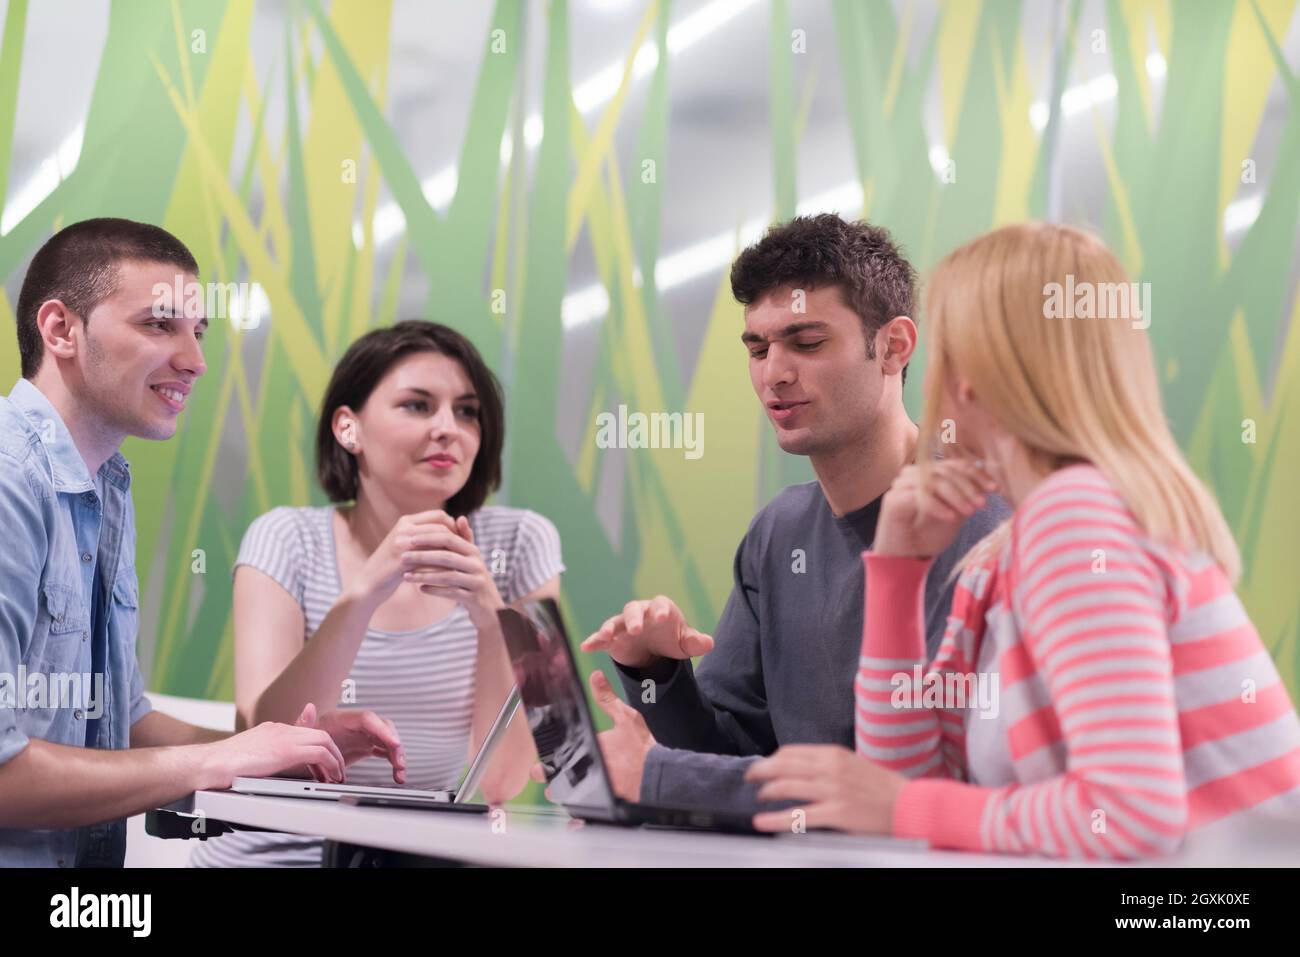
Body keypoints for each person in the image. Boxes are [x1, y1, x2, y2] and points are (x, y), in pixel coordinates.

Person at [746, 221, 1300, 856]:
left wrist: (902, 806)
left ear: (976, 376)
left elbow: (1129, 817)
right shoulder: (1005, 552)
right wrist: (897, 572)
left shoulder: (1077, 518)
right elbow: (905, 786)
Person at [0, 218, 403, 868]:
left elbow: (121, 725)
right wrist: (216, 760)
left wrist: (279, 748)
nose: (195, 359)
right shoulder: (7, 478)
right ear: (60, 330)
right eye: (159, 325)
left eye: (198, 331)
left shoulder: (103, 488)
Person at [574, 214, 1009, 814]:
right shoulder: (778, 533)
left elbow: (891, 796)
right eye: (758, 347)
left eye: (807, 343)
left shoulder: (984, 522)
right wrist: (656, 674)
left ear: (894, 346)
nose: (774, 373)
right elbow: (727, 755)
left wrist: (662, 778)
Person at [191, 320, 562, 866]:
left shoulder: (522, 542)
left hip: (419, 856)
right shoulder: (286, 539)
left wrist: (491, 622)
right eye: (417, 405)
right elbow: (263, 738)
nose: (448, 429)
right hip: (275, 854)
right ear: (348, 428)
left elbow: (501, 781)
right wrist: (362, 594)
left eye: (467, 411)